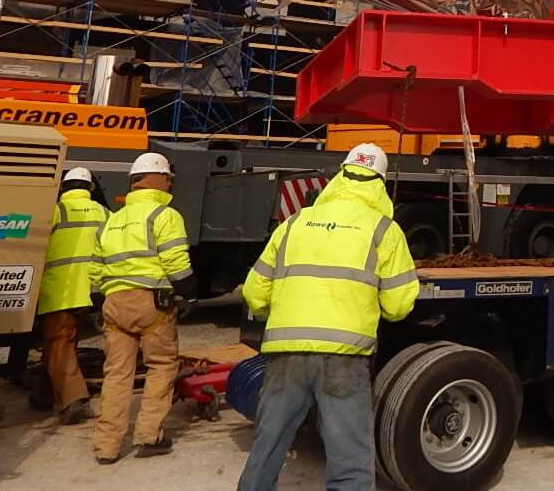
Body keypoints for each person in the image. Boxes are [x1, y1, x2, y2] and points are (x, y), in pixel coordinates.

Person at [236, 143, 420, 491]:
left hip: (286, 355)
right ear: (379, 183)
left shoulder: (294, 223)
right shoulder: (383, 230)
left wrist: (279, 311)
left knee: (267, 448)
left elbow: (255, 292)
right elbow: (398, 305)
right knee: (349, 463)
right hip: (344, 359)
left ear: (340, 176)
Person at [89, 151, 199, 465]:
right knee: (161, 366)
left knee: (117, 374)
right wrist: (189, 294)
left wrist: (102, 301)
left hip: (115, 304)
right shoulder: (165, 215)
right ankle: (149, 435)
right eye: (170, 179)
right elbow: (177, 264)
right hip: (152, 303)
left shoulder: (113, 219)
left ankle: (107, 446)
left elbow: (96, 270)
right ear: (161, 180)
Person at [33, 166, 110, 424]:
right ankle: (43, 395)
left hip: (60, 290)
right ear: (89, 189)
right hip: (94, 289)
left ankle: (74, 399)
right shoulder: (104, 213)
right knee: (61, 344)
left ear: (64, 187)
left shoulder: (55, 211)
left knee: (59, 342)